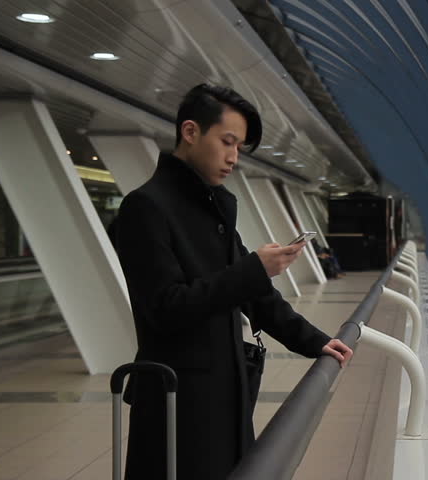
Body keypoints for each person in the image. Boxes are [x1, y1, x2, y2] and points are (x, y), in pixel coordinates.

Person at [109, 83, 353, 479]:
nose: (233, 157)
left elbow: (256, 296)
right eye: (227, 142)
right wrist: (254, 269)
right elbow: (166, 308)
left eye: (239, 146)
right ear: (191, 132)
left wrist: (315, 341)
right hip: (178, 401)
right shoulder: (146, 207)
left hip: (224, 395)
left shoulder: (215, 206)